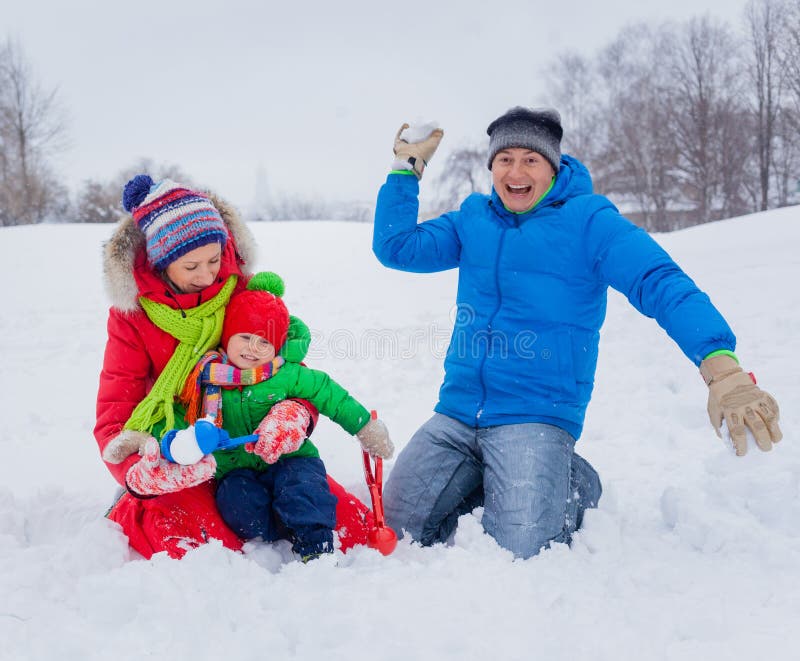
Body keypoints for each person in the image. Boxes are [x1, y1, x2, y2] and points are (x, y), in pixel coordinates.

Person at [372, 107, 783, 560]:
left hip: (534, 413)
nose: (516, 171)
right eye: (505, 158)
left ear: (553, 166)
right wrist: (406, 169)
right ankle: (492, 475)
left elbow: (660, 282)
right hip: (457, 411)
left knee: (519, 548)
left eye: (531, 159)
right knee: (394, 526)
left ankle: (571, 479)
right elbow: (397, 248)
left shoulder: (589, 222)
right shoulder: (474, 219)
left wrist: (720, 366)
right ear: (492, 168)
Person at [96, 175, 369, 559]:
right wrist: (137, 473)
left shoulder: (239, 287)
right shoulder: (132, 317)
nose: (208, 275)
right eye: (191, 265)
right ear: (160, 262)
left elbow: (290, 370)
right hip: (183, 454)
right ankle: (135, 502)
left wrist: (296, 414)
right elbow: (114, 409)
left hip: (253, 445)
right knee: (202, 549)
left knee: (350, 530)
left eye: (213, 259)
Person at [165, 271, 393, 560]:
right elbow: (176, 414)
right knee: (236, 501)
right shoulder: (203, 379)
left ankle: (316, 546)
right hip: (235, 469)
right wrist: (173, 443)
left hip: (291, 458)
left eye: (264, 343)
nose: (253, 348)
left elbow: (328, 393)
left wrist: (364, 426)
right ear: (226, 337)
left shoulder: (286, 374)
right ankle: (274, 534)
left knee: (303, 490)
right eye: (245, 337)